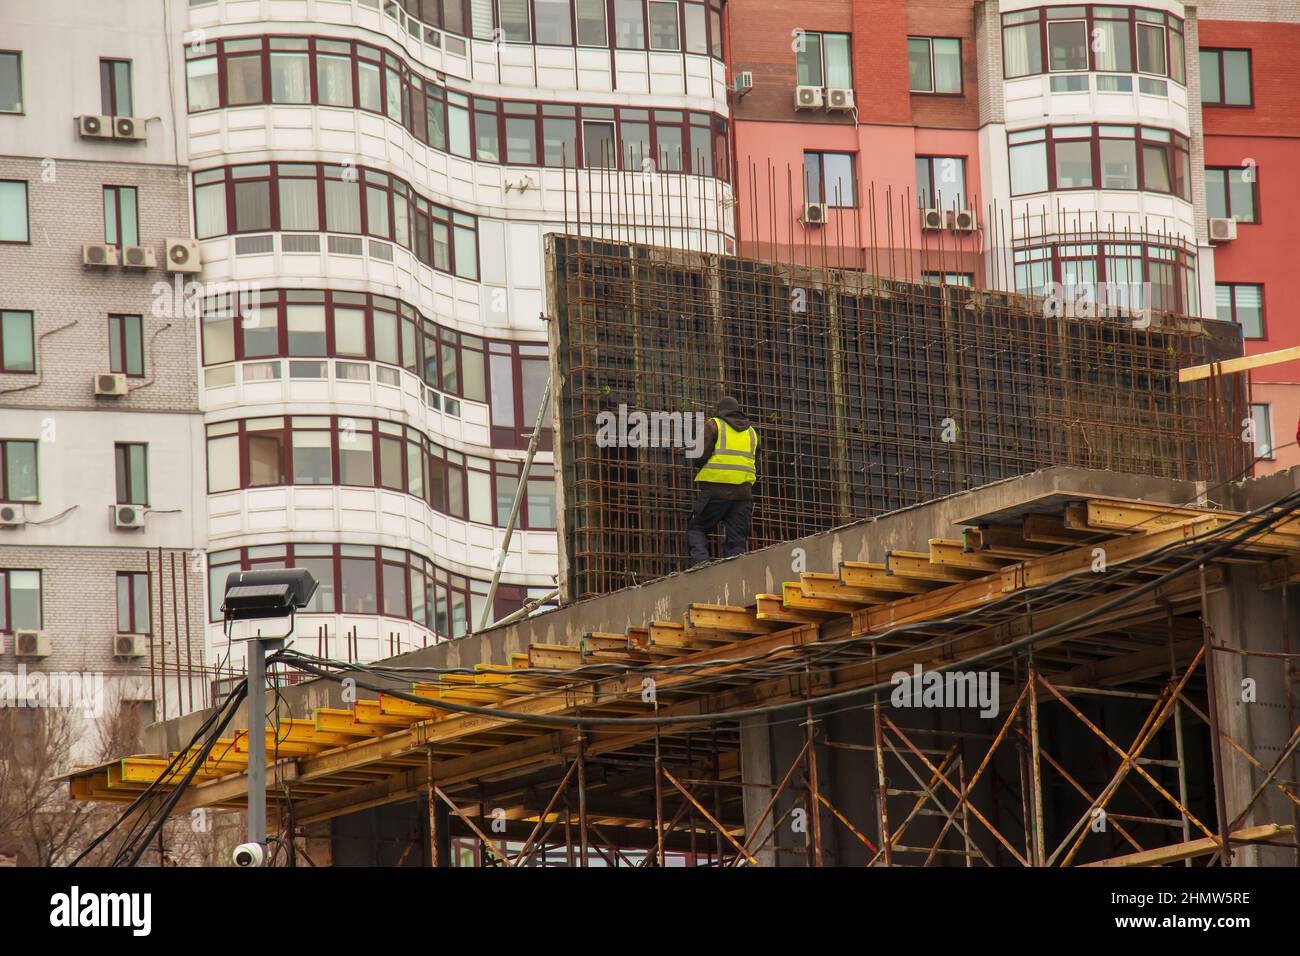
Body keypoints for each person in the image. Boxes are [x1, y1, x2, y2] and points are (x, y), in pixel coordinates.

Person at [687, 396, 758, 566]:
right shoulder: (752, 433)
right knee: (737, 539)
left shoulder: (714, 424)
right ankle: (734, 572)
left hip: (715, 489)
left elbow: (698, 456)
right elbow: (756, 463)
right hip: (743, 492)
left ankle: (701, 563)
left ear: (720, 410)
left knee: (697, 527)